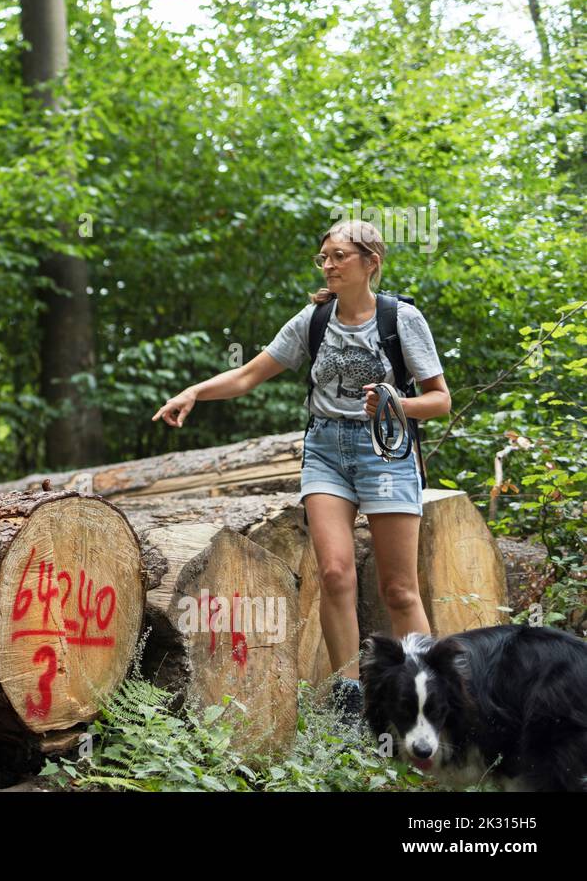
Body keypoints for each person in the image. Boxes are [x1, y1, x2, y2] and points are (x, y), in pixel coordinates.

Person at [152, 219, 451, 722]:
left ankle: (424, 702)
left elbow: (440, 400)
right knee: (334, 574)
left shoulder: (402, 319)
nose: (328, 265)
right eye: (324, 257)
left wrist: (396, 402)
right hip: (327, 449)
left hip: (387, 451)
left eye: (338, 256)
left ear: (370, 262)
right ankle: (351, 702)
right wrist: (195, 391)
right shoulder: (313, 320)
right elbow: (249, 375)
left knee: (399, 589)